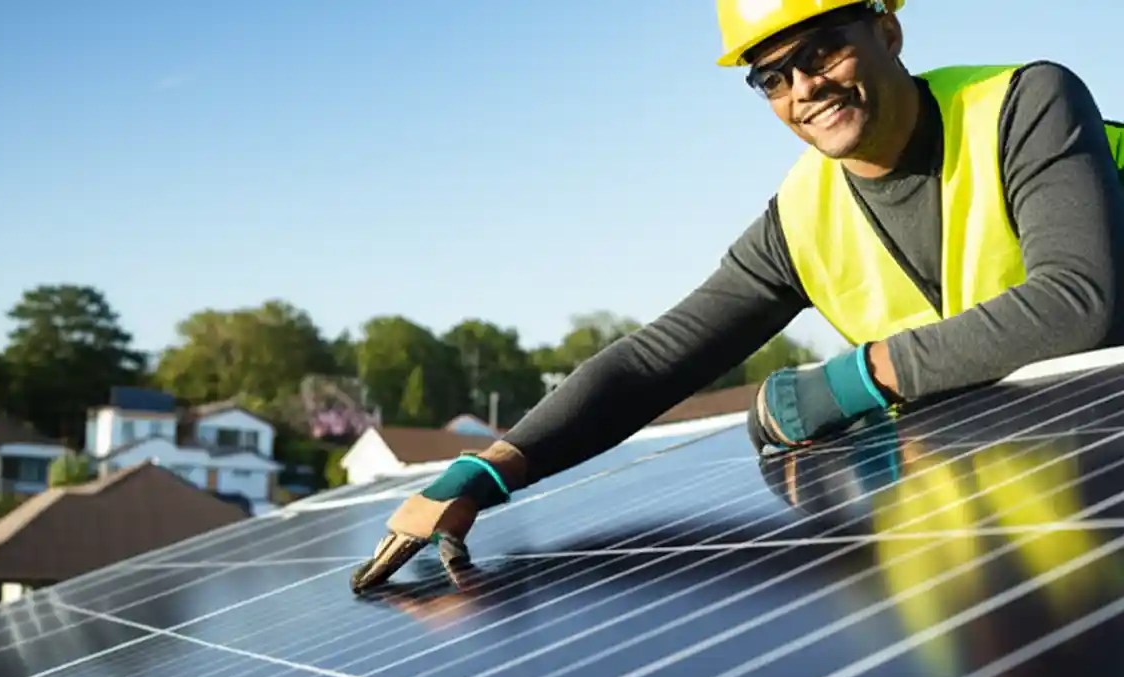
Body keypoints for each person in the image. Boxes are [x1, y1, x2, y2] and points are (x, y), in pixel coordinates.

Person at [349, 0, 1124, 593]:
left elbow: (1078, 300)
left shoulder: (1024, 105)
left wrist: (847, 382)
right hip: (1032, 507)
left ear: (887, 31)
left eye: (822, 50)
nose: (806, 88)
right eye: (773, 78)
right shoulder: (802, 220)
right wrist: (492, 469)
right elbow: (651, 364)